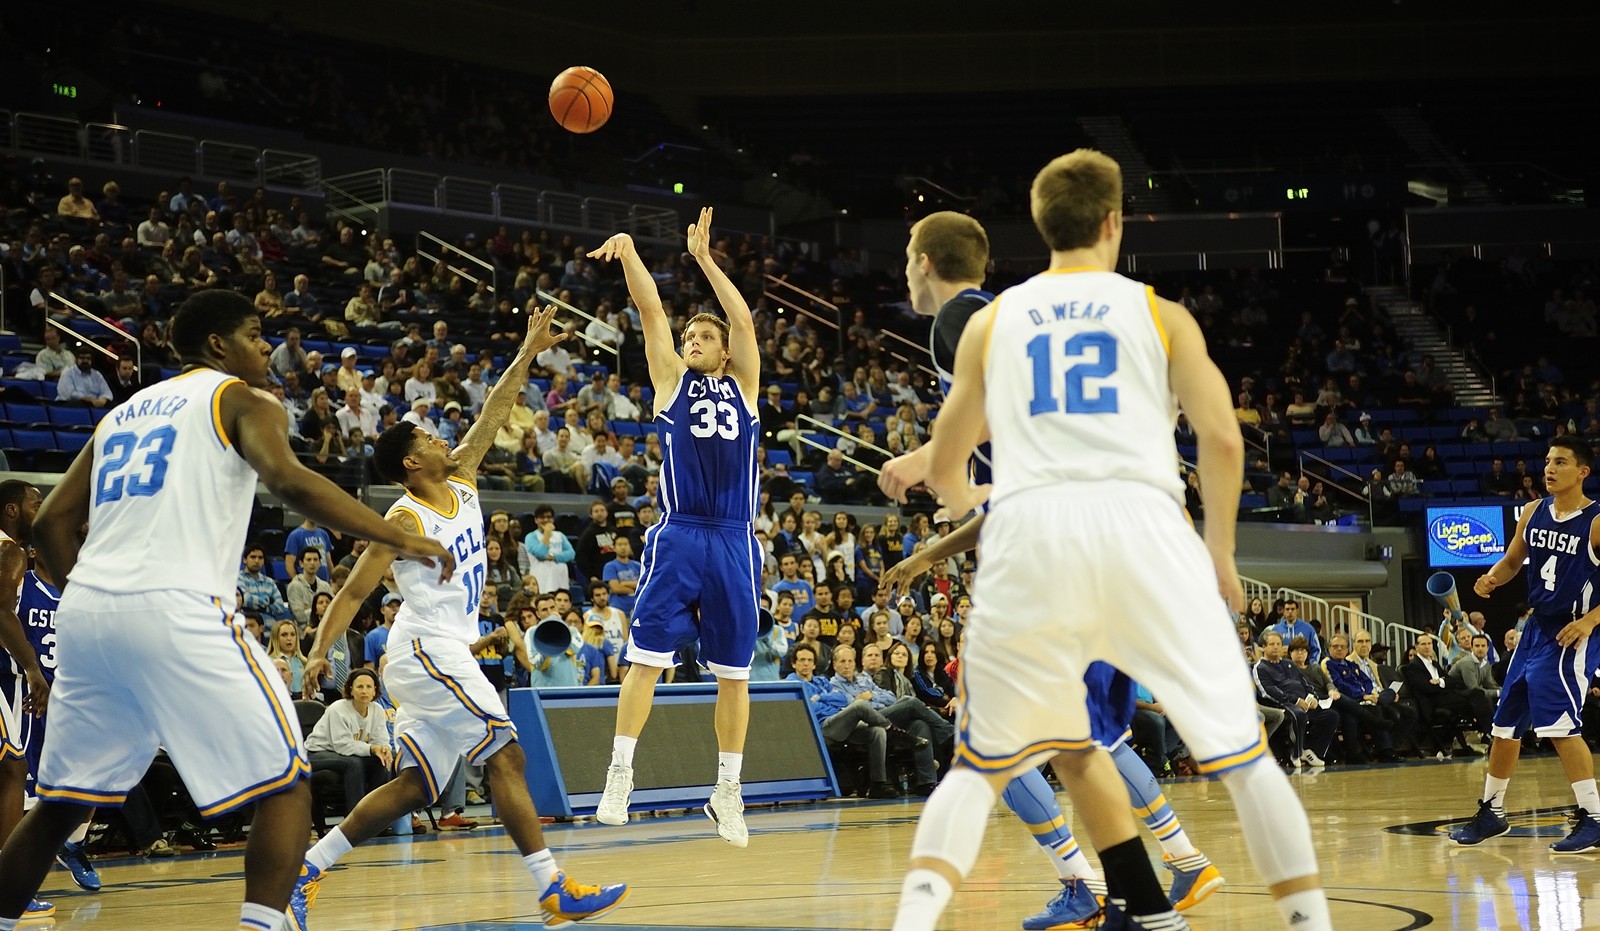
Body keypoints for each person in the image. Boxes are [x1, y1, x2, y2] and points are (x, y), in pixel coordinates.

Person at [878, 153, 1327, 931]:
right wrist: (1218, 550)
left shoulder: (988, 321)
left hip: (1035, 537)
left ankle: (919, 919)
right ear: (1115, 222)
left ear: (1039, 222)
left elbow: (951, 459)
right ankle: (1238, 907)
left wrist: (938, 477)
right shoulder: (1161, 313)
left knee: (981, 760)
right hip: (1144, 529)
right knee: (1240, 764)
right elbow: (1221, 440)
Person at [0, 290, 454, 931]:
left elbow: (49, 524)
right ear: (219, 346)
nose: (265, 345)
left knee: (58, 806)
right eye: (255, 332)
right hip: (178, 605)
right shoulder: (238, 398)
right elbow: (289, 479)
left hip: (89, 618)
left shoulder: (120, 415)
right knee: (287, 785)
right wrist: (401, 536)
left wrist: (104, 593)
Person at [291, 304, 626, 930]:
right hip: (425, 650)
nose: (442, 437)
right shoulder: (403, 520)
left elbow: (494, 409)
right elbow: (354, 590)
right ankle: (553, 887)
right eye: (428, 439)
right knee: (507, 753)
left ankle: (304, 872)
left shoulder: (464, 479)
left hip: (434, 655)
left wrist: (527, 350)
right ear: (412, 463)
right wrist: (318, 649)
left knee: (417, 786)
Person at [585, 208, 763, 847]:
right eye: (691, 335)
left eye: (704, 336)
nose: (693, 338)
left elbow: (741, 320)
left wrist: (706, 261)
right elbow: (650, 312)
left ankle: (728, 790)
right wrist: (631, 251)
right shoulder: (669, 382)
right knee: (646, 660)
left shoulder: (744, 386)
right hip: (681, 531)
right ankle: (620, 773)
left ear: (724, 350)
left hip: (737, 538)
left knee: (734, 674)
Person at [1449, 436, 1600, 852]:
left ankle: (1594, 816)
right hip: (1536, 630)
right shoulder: (1533, 511)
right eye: (1548, 461)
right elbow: (1515, 560)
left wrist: (1589, 620)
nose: (1549, 468)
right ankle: (1492, 812)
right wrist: (1494, 576)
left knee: (1560, 725)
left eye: (1561, 462)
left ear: (1582, 472)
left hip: (1571, 631)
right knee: (1505, 724)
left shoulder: (1597, 520)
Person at [0, 482, 65, 920]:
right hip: (1, 675)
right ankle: (8, 887)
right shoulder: (8, 551)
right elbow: (1, 612)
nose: (39, 512)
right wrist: (31, 668)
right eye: (33, 505)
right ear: (11, 510)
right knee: (12, 769)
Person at [303, 668, 392, 817]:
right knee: (353, 763)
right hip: (316, 753)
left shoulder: (377, 709)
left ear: (374, 690)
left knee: (382, 761)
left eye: (369, 687)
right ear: (351, 690)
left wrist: (384, 749)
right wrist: (372, 749)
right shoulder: (338, 709)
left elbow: (381, 739)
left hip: (347, 753)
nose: (364, 691)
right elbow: (342, 745)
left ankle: (377, 817)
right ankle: (356, 820)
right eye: (359, 686)